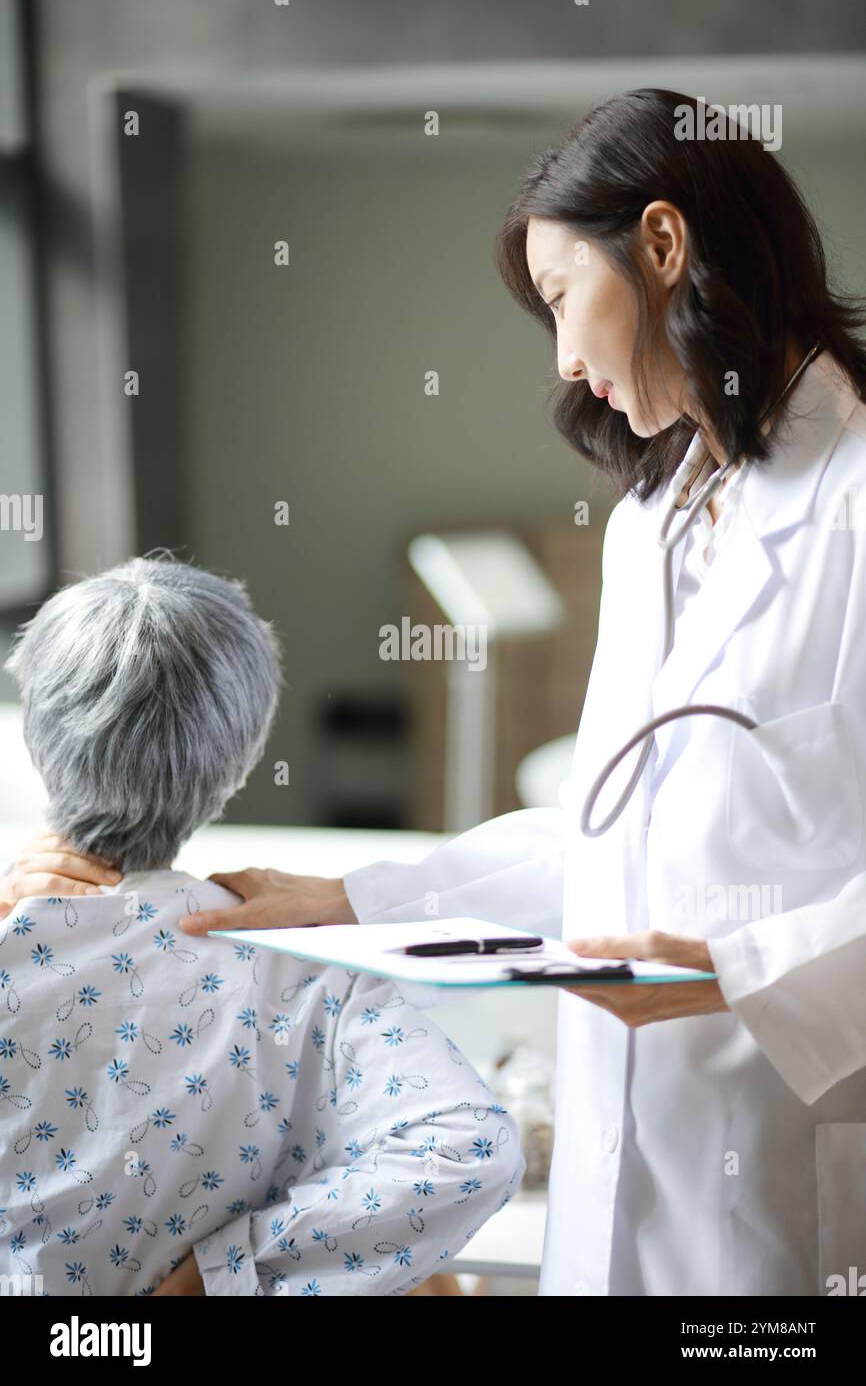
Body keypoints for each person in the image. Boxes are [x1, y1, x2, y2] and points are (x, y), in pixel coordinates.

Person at [8, 86, 866, 1297]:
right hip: (617, 1192)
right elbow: (601, 840)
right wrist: (346, 893)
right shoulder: (653, 525)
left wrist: (749, 968)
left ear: (664, 245)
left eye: (564, 298)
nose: (565, 358)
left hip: (784, 1189)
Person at [0, 556, 524, 1296]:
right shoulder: (310, 976)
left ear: (39, 740)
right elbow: (473, 1150)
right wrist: (227, 1276)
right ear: (241, 758)